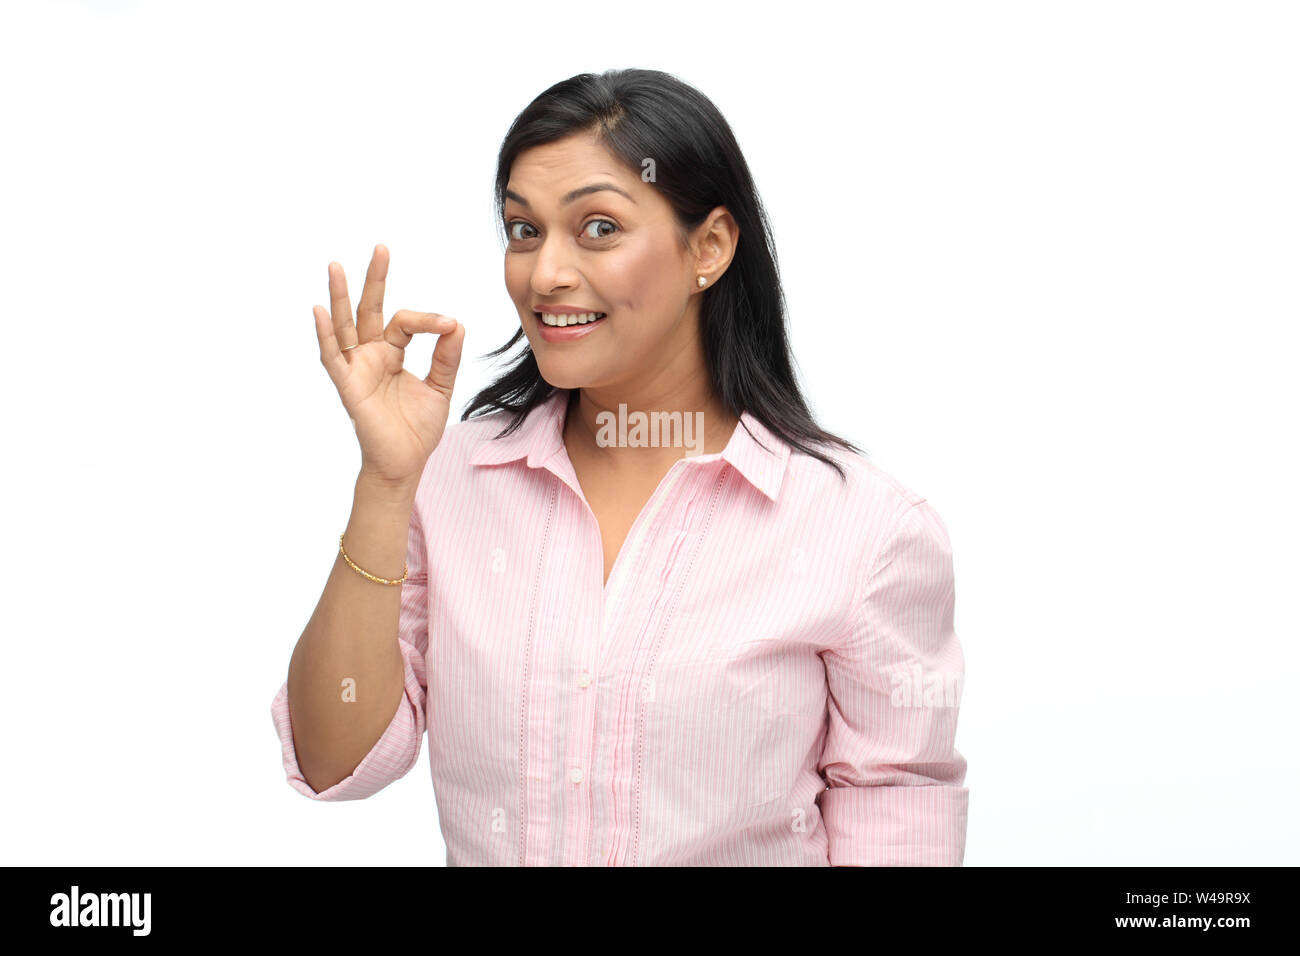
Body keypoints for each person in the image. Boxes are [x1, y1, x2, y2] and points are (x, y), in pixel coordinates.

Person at [270, 68, 969, 866]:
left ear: (709, 247)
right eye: (523, 230)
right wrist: (386, 483)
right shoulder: (448, 482)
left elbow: (899, 819)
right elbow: (333, 758)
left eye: (597, 228)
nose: (545, 274)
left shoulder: (864, 530)